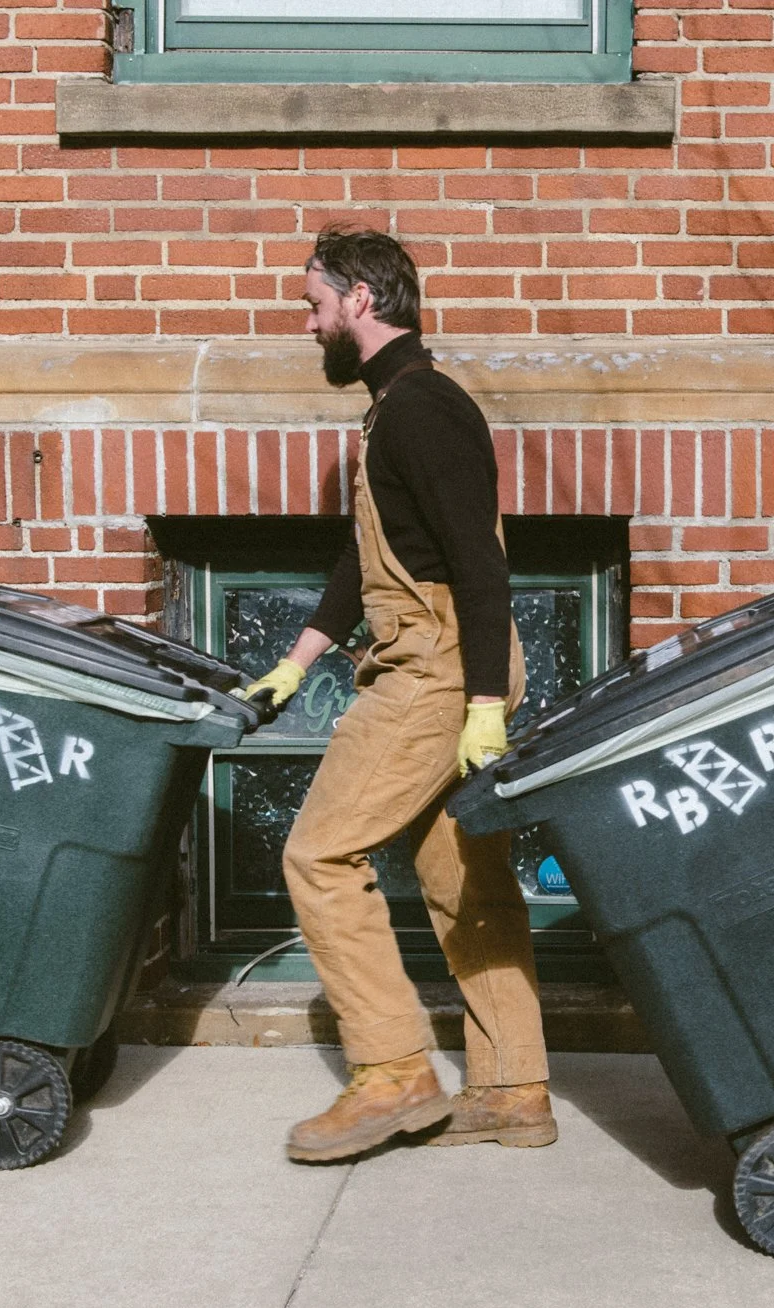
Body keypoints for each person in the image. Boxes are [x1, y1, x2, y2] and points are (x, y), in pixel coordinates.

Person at [237, 226, 554, 1162]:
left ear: (361, 301)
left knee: (320, 854)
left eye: (314, 304)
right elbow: (367, 557)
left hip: (439, 668)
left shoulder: (425, 411)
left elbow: (480, 567)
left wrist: (484, 704)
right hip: (445, 660)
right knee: (463, 879)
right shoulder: (395, 407)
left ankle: (394, 1071)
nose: (308, 323)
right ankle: (511, 1086)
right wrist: (299, 660)